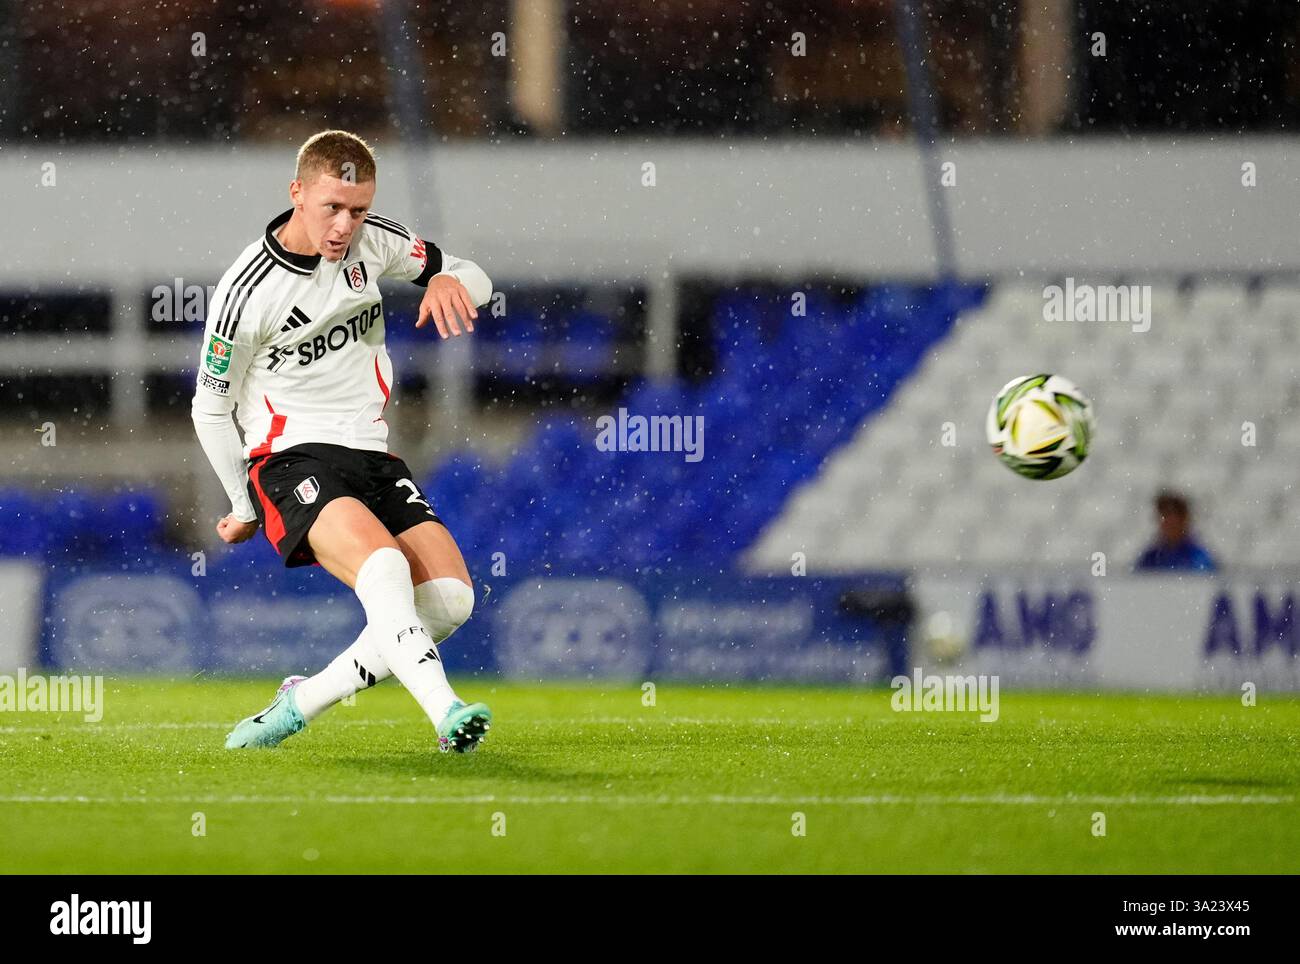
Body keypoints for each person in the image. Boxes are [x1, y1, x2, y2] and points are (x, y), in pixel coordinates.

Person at [191, 129, 494, 753]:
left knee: (449, 601)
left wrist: (448, 281)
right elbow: (210, 408)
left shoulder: (375, 241)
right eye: (332, 207)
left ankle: (300, 701)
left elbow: (468, 273)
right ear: (297, 192)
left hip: (372, 454)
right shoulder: (246, 291)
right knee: (382, 567)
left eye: (357, 209)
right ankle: (446, 712)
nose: (345, 225)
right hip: (289, 457)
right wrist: (241, 503)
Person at [1134, 490, 1218, 573]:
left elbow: (1204, 579)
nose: (1167, 523)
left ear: (1184, 519)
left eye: (1172, 518)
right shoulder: (1152, 556)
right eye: (1163, 517)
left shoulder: (1197, 556)